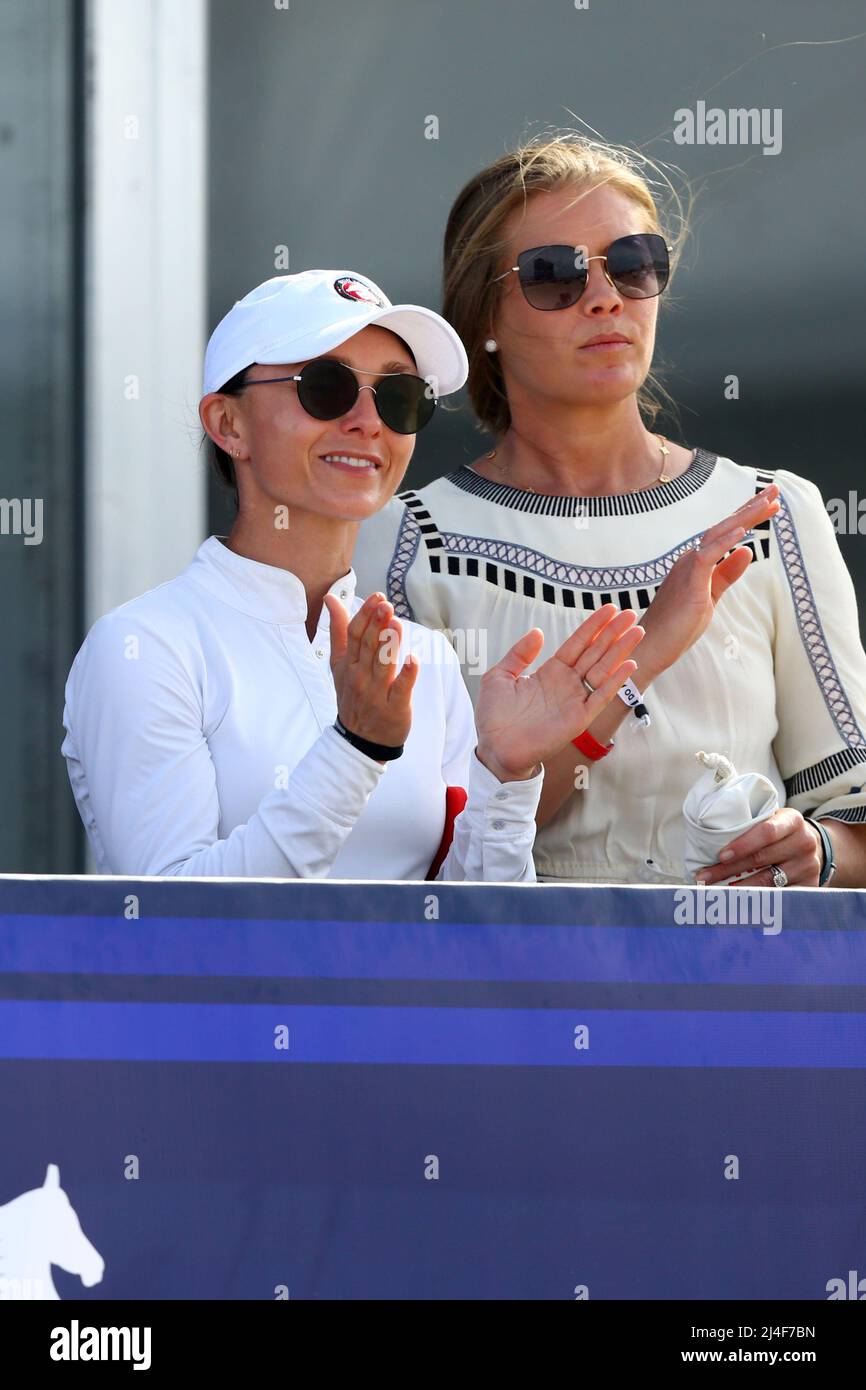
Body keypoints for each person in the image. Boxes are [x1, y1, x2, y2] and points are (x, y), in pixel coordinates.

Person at [353, 137, 866, 888]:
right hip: (519, 992)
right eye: (553, 276)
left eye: (632, 263)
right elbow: (431, 859)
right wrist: (644, 657)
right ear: (481, 319)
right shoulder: (404, 543)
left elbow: (852, 810)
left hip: (740, 989)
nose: (606, 298)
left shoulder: (774, 512)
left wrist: (818, 853)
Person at [61, 269, 643, 881]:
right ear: (228, 424)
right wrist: (356, 747)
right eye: (326, 386)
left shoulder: (424, 658)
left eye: (400, 397)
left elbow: (475, 934)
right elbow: (178, 922)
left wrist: (504, 772)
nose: (370, 421)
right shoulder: (142, 648)